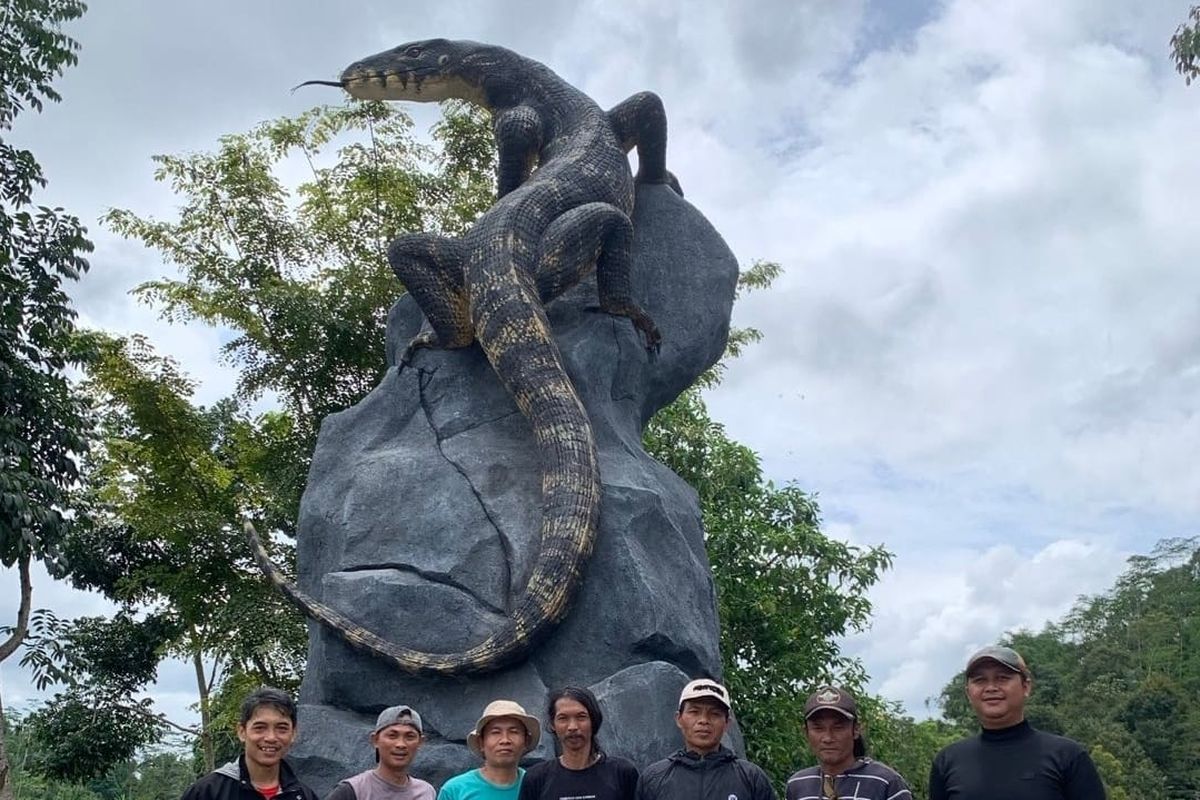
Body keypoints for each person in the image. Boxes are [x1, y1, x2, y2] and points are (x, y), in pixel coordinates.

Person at [928, 645, 1107, 800]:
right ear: (968, 692)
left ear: (1026, 686)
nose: (991, 688)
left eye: (1002, 678)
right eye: (980, 680)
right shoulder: (947, 761)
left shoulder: (1068, 757)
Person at [635, 678, 775, 800]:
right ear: (679, 719)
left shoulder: (751, 778)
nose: (703, 720)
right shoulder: (654, 777)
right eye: (694, 712)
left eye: (714, 714)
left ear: (727, 723)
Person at [181, 686, 318, 800]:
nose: (271, 737)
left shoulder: (304, 796)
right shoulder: (208, 792)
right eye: (260, 728)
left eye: (281, 728)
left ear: (293, 734)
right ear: (242, 732)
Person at [785, 686, 911, 800]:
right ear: (806, 732)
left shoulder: (886, 782)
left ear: (856, 730)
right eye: (818, 728)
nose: (828, 738)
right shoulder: (798, 785)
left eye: (838, 727)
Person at [518, 686, 638, 800]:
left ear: (593, 720)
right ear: (552, 724)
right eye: (563, 718)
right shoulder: (537, 778)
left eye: (581, 717)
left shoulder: (622, 773)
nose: (572, 727)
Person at [325, 705, 434, 800]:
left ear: (420, 742)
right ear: (375, 740)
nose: (401, 744)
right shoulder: (351, 791)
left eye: (409, 737)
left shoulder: (426, 793)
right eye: (392, 736)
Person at [438, 700, 540, 800]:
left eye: (513, 732)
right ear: (481, 742)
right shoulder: (455, 790)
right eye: (496, 732)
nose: (505, 740)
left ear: (526, 741)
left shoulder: (538, 786)